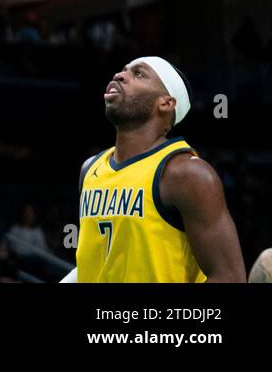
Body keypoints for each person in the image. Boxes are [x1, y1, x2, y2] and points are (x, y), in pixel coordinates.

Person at [68, 57, 244, 282]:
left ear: (166, 103)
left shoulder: (186, 174)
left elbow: (230, 276)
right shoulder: (90, 168)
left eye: (138, 74)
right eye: (122, 71)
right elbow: (98, 262)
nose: (119, 76)